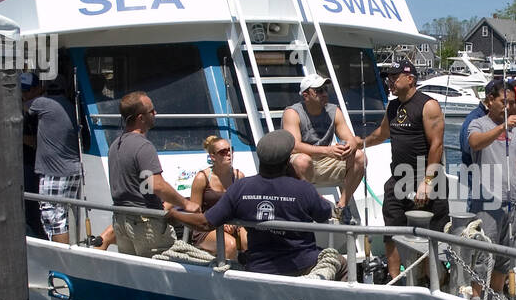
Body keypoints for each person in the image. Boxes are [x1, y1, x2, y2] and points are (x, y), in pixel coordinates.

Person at [170, 130, 334, 275]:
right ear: (287, 162)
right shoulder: (304, 189)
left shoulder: (241, 187)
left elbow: (205, 222)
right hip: (302, 265)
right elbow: (324, 214)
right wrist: (299, 179)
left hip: (259, 267)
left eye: (230, 150)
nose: (228, 154)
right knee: (340, 264)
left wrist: (173, 215)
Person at [353, 59, 449, 271]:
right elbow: (382, 133)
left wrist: (427, 182)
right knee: (391, 233)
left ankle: (431, 280)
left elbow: (437, 145)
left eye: (395, 77)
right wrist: (361, 143)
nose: (390, 81)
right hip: (398, 179)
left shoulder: (428, 105)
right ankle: (395, 278)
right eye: (388, 78)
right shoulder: (393, 106)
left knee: (431, 238)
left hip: (427, 180)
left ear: (410, 79)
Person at [462, 80, 516, 296]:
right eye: (504, 102)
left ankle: (496, 299)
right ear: (490, 100)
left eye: (511, 103)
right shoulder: (478, 124)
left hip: (513, 203)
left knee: (504, 259)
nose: (508, 107)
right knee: (483, 258)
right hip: (488, 202)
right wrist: (503, 127)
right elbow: (475, 143)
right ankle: (477, 299)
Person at [107, 91, 188, 257]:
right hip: (145, 223)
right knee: (162, 268)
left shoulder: (115, 146)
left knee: (134, 269)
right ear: (141, 118)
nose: (155, 113)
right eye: (151, 111)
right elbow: (157, 185)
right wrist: (185, 203)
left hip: (121, 220)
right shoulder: (144, 146)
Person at [282, 73, 366, 222]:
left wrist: (348, 146)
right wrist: (328, 150)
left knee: (360, 157)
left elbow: (350, 139)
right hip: (301, 165)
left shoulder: (334, 111)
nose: (325, 94)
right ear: (306, 95)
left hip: (325, 161)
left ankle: (341, 206)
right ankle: (318, 204)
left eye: (325, 89)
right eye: (319, 91)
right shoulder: (292, 113)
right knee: (302, 161)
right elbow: (293, 146)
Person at [22, 73, 83, 244]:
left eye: (27, 91)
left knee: (54, 219)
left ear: (41, 88)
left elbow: (18, 106)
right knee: (65, 217)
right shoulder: (69, 105)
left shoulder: (42, 103)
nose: (23, 95)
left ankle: (60, 259)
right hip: (70, 169)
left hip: (55, 172)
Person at [186, 135, 246, 258]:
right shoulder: (202, 178)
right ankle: (227, 270)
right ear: (213, 156)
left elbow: (243, 208)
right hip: (206, 227)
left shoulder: (239, 176)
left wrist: (234, 223)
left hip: (233, 224)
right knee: (230, 245)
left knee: (250, 241)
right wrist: (219, 224)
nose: (228, 154)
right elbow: (195, 212)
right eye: (223, 152)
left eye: (230, 150)